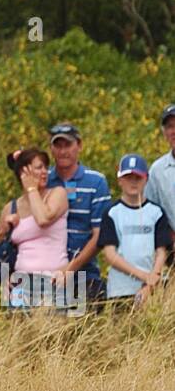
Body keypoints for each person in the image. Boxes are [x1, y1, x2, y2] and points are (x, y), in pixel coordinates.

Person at [0, 148, 69, 311]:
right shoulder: (11, 208)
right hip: (20, 282)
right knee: (21, 335)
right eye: (39, 167)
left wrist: (31, 189)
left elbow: (43, 219)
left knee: (53, 334)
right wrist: (4, 231)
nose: (45, 172)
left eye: (46, 167)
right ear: (22, 173)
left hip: (53, 280)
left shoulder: (57, 194)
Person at [45, 123, 111, 310]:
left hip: (85, 274)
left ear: (79, 145)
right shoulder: (43, 179)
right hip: (45, 274)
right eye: (58, 145)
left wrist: (70, 269)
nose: (63, 151)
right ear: (51, 148)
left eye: (68, 145)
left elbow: (100, 235)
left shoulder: (96, 181)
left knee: (86, 335)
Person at [98, 154, 171, 310]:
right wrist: (143, 276)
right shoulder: (112, 213)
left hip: (153, 290)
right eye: (128, 177)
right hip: (120, 290)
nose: (133, 182)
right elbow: (110, 255)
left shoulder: (156, 213)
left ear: (146, 179)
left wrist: (152, 280)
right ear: (120, 180)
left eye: (137, 177)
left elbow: (161, 251)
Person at [147, 104, 175, 236]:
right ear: (165, 133)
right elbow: (151, 213)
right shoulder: (157, 170)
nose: (174, 131)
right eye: (170, 126)